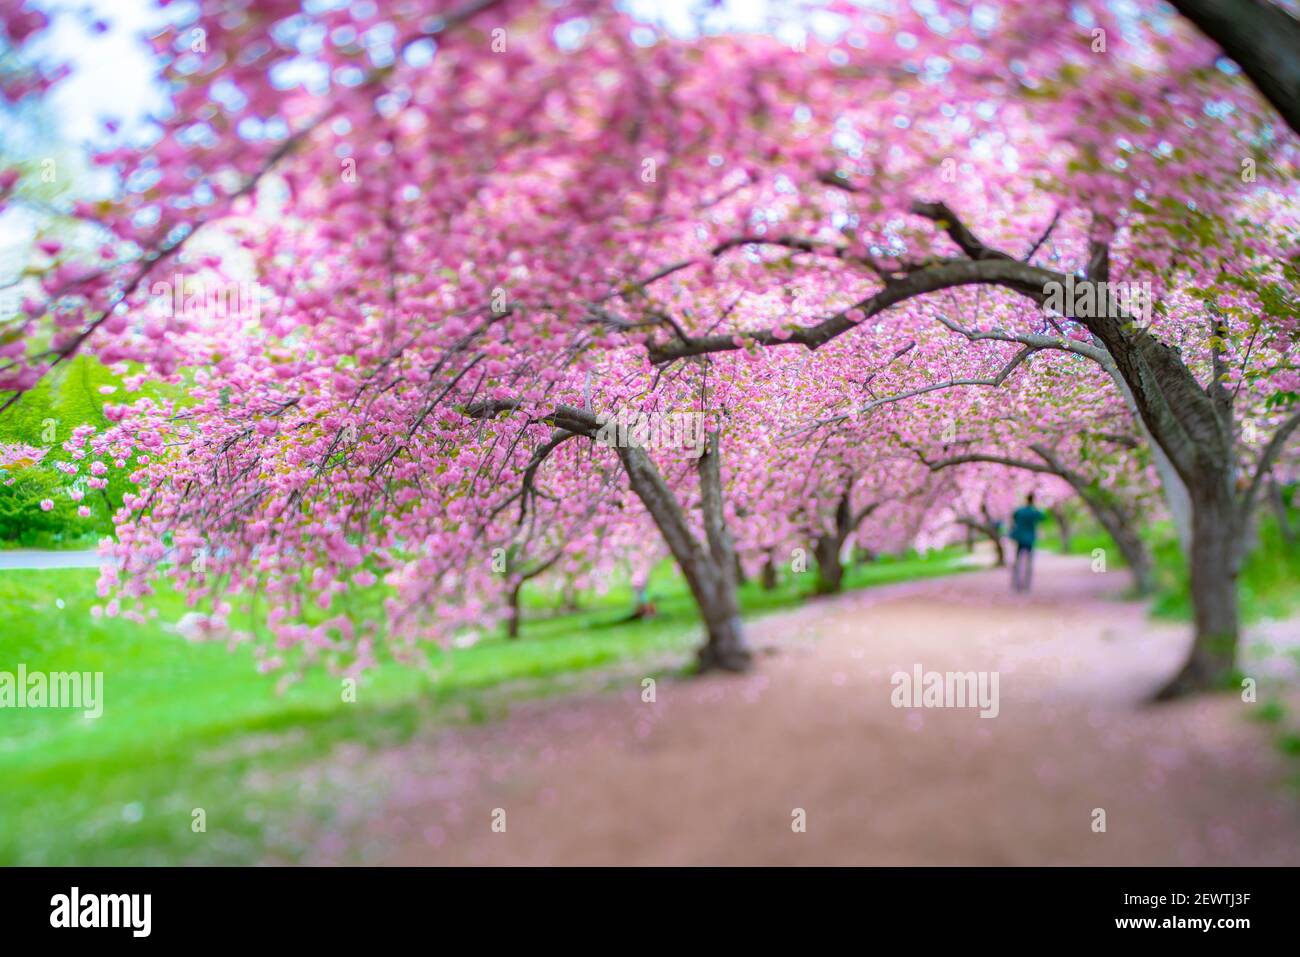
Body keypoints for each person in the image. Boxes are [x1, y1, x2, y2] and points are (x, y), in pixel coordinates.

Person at [1009, 493, 1046, 592]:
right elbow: (1042, 517)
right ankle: (1027, 584)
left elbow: (1013, 517)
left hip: (1019, 537)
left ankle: (1016, 583)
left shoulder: (1020, 511)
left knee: (1017, 560)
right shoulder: (1033, 512)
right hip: (1029, 538)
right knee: (1029, 562)